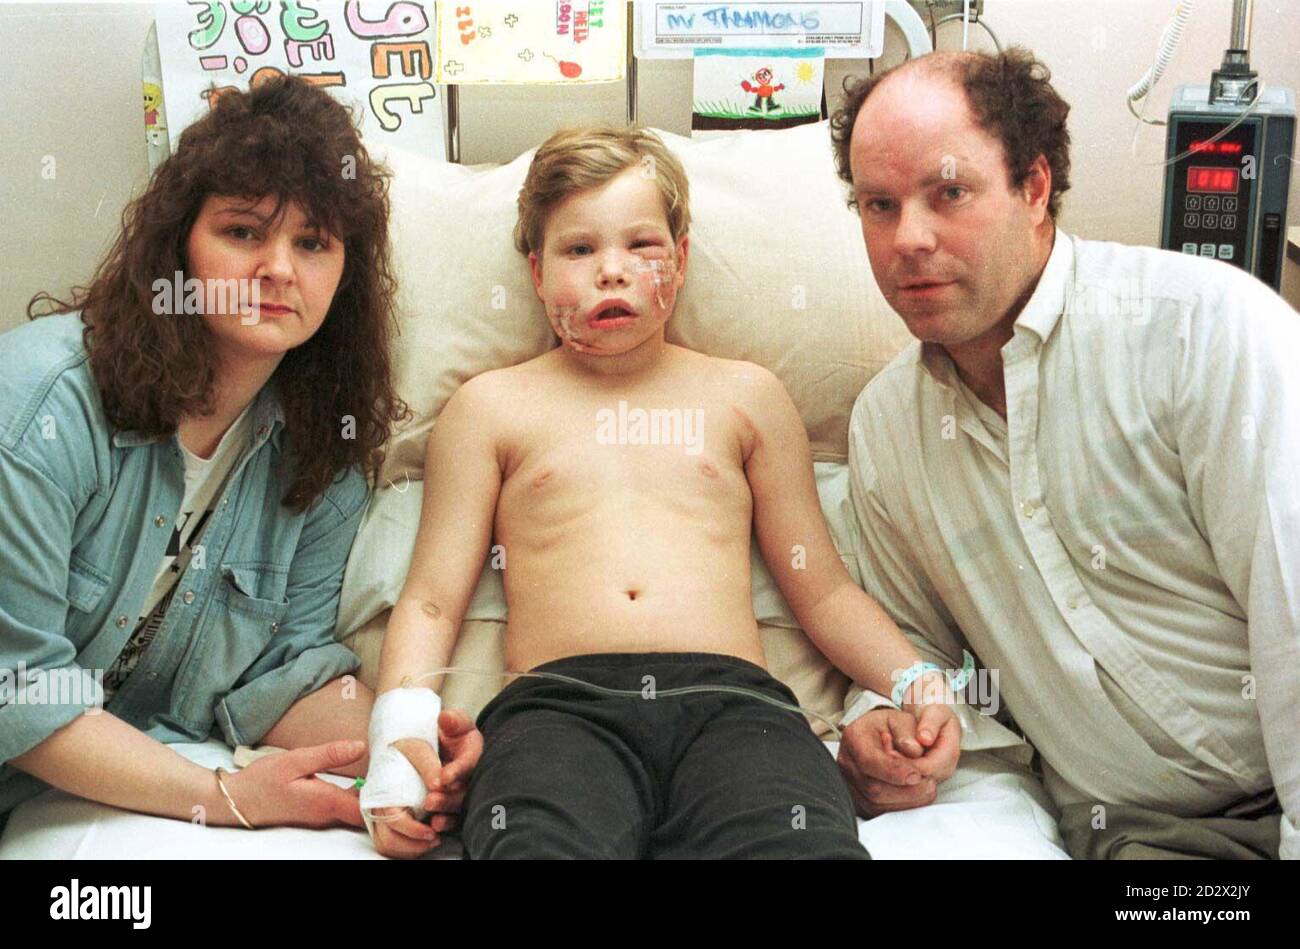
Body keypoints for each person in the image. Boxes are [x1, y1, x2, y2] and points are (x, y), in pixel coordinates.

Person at [364, 126, 962, 859]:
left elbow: (826, 592)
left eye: (641, 246)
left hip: (738, 708)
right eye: (578, 250)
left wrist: (920, 688)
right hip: (557, 711)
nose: (610, 272)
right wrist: (396, 756)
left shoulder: (747, 398)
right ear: (536, 272)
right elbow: (429, 599)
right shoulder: (490, 409)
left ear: (678, 264)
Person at [829, 47, 1298, 859]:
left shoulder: (1201, 333)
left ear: (1035, 187)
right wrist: (889, 718)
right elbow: (922, 652)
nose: (908, 238)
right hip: (1135, 837)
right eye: (878, 204)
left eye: (948, 193)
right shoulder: (886, 429)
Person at [0, 76, 477, 835]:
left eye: (312, 242)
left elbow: (279, 675)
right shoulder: (37, 408)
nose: (280, 270)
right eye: (244, 232)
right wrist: (223, 796)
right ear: (177, 249)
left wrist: (407, 737)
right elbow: (16, 690)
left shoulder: (326, 444)